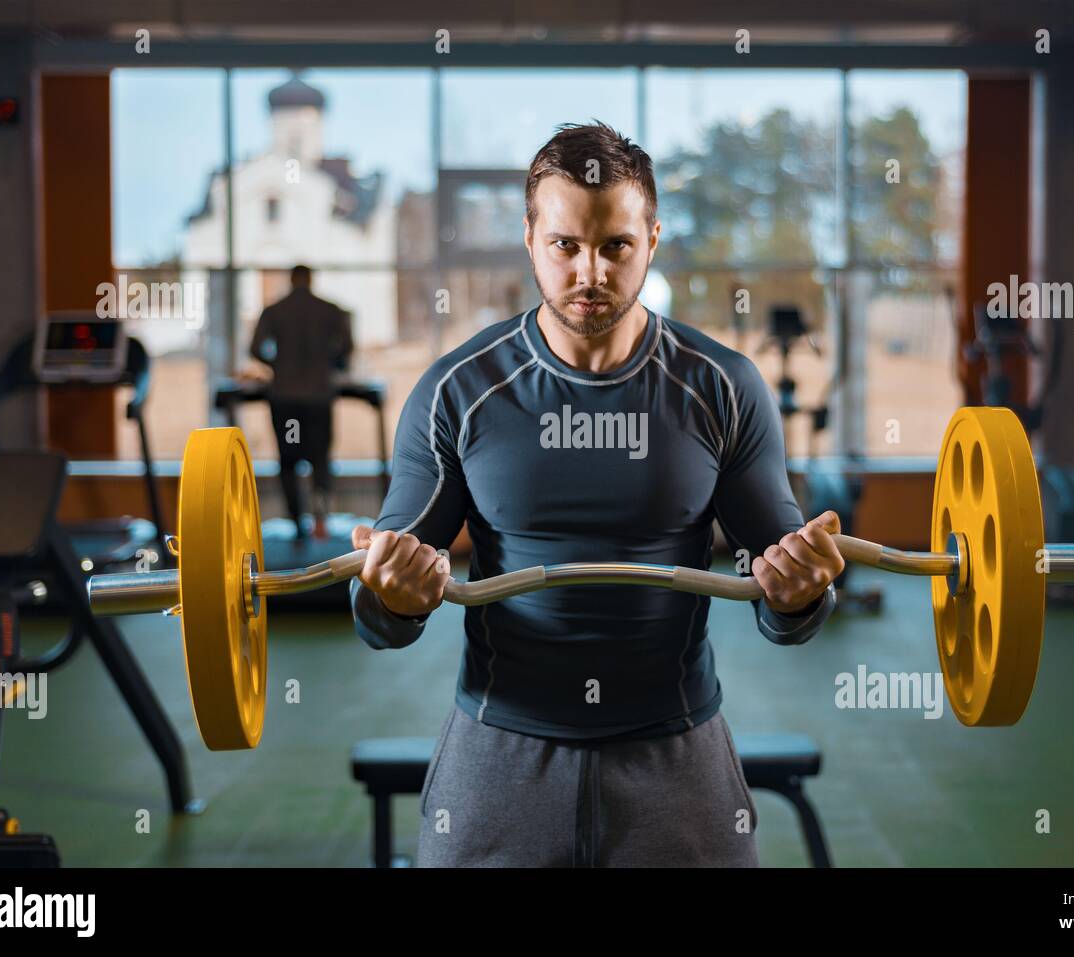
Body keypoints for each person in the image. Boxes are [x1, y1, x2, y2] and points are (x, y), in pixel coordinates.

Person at [349, 122, 843, 867]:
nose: (589, 272)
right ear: (529, 237)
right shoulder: (459, 391)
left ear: (652, 238)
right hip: (500, 750)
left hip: (675, 753)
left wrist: (802, 591)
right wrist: (392, 595)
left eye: (615, 245)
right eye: (565, 245)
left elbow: (784, 594)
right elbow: (383, 607)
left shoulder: (721, 387)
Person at [250, 265, 352, 541]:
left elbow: (255, 348)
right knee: (320, 458)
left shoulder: (274, 310)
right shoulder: (331, 310)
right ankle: (320, 519)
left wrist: (279, 365)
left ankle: (296, 524)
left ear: (291, 280)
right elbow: (346, 347)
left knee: (288, 459)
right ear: (310, 280)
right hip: (318, 395)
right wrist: (329, 364)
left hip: (286, 398)